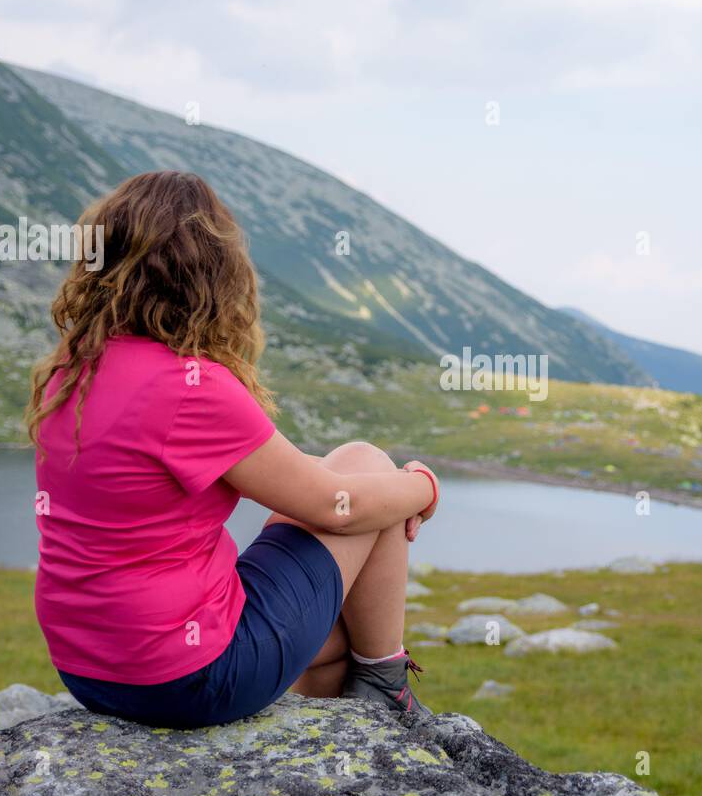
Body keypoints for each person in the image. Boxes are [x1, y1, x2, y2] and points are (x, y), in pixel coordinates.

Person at [25, 170, 438, 729]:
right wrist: (421, 486)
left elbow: (296, 484)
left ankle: (343, 709)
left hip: (87, 669)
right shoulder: (190, 387)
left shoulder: (70, 369)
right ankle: (385, 685)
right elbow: (335, 506)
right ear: (213, 272)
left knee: (336, 629)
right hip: (187, 677)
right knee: (366, 468)